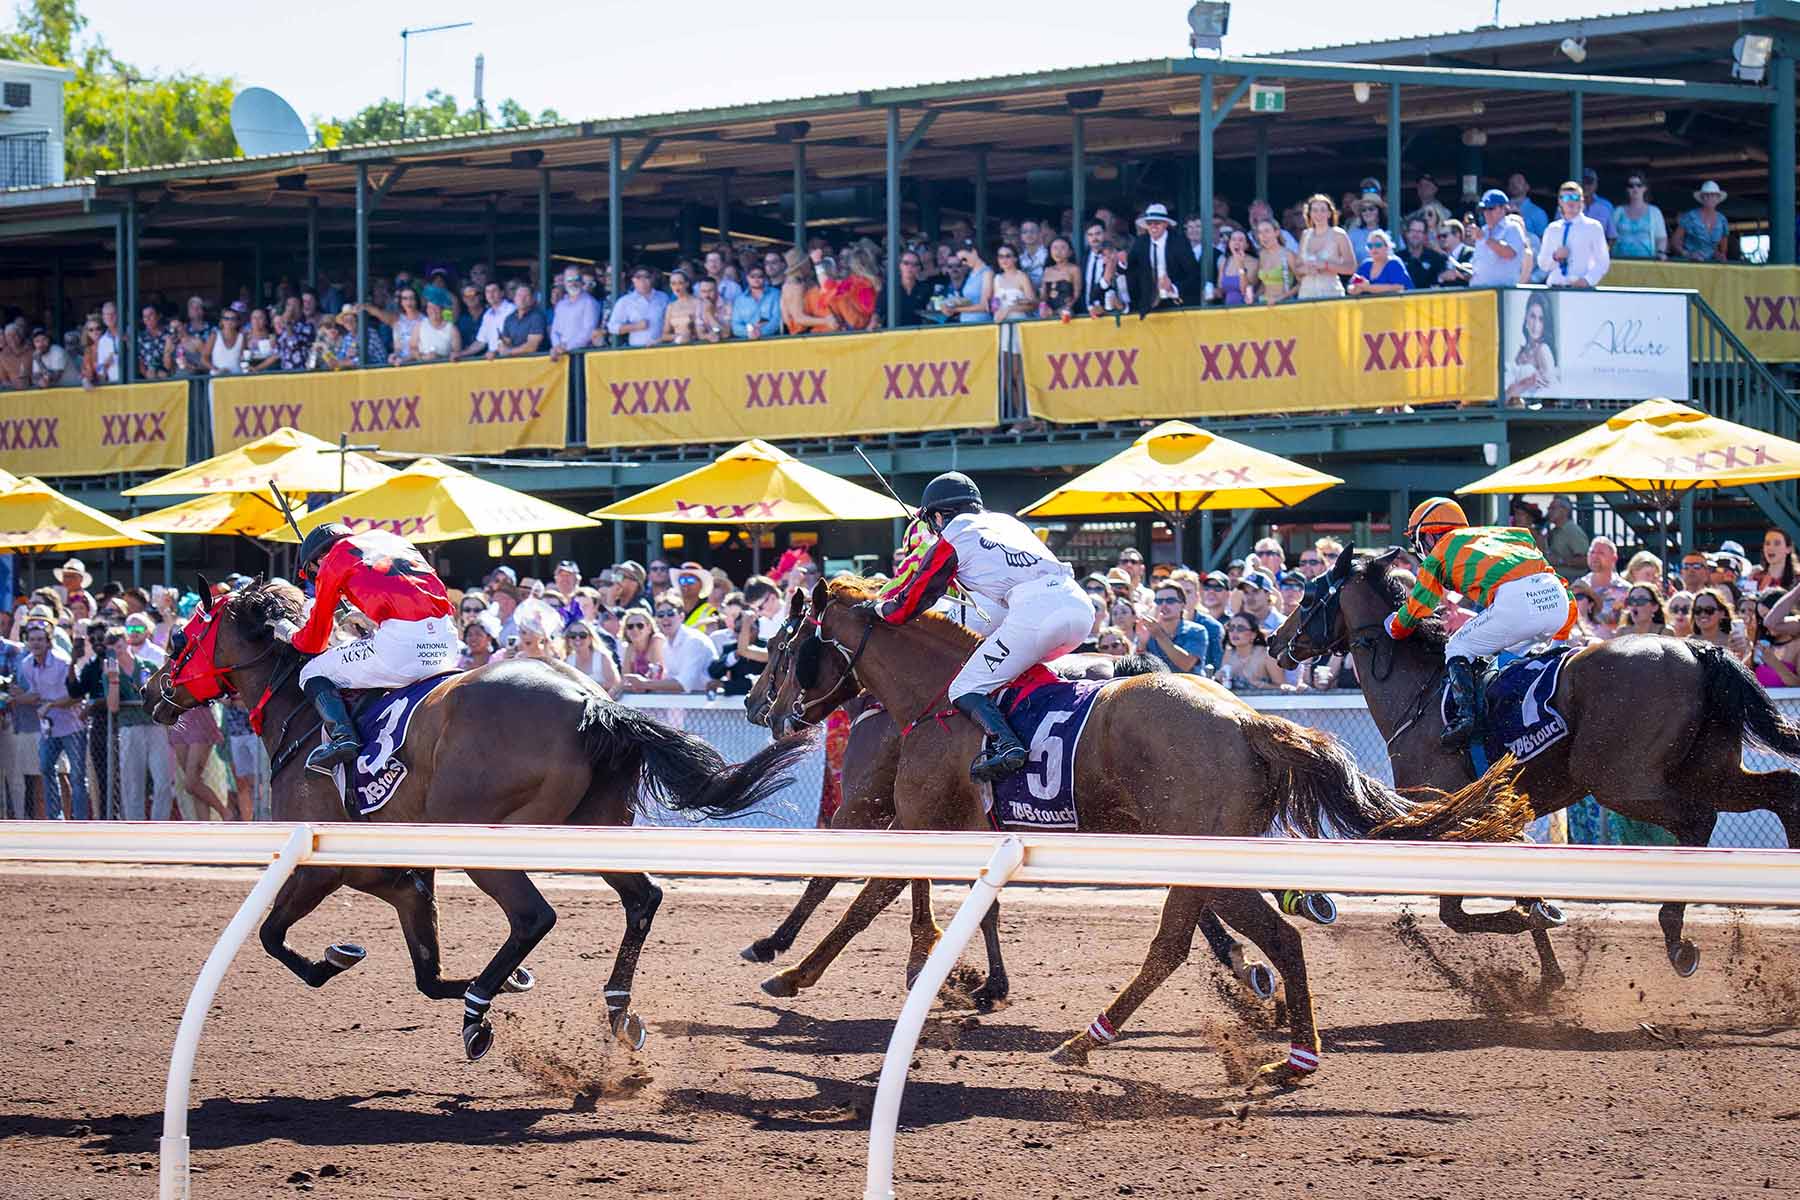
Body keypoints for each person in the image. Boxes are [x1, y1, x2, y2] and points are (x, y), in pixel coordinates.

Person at [862, 471, 1091, 781]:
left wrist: (879, 608)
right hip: (1078, 605)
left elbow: (911, 602)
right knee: (1014, 667)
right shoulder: (1008, 523)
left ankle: (1008, 746)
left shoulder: (953, 538)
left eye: (932, 522)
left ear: (939, 516)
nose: (933, 529)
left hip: (1038, 612)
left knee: (964, 688)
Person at [1385, 498, 1576, 750]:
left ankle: (1465, 719)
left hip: (1517, 604)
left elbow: (1422, 604)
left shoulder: (1439, 553)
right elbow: (1559, 583)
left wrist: (1395, 627)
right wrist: (1560, 637)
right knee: (1508, 657)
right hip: (1556, 599)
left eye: (1418, 541)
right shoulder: (1508, 535)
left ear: (1429, 536)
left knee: (1457, 646)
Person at [271, 525, 458, 778]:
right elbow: (410, 592)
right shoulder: (390, 539)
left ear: (319, 559)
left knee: (311, 672)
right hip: (447, 643)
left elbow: (313, 642)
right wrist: (369, 617)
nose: (317, 575)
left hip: (402, 649)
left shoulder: (331, 560)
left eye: (314, 571)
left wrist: (289, 633)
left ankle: (343, 737)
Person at [12, 620, 87, 819]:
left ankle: (80, 820)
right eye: (32, 639)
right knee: (45, 768)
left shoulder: (62, 662)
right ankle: (55, 817)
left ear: (48, 642)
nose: (35, 643)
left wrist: (51, 705)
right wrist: (15, 697)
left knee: (78, 776)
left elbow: (75, 697)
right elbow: (36, 695)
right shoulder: (27, 664)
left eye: (40, 639)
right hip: (50, 729)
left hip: (73, 727)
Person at [1125, 203, 1201, 314]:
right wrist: (1122, 263)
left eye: (1157, 223)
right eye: (1149, 223)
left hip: (1177, 305)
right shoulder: (1141, 243)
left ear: (1166, 224)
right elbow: (1131, 271)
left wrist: (1173, 288)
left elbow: (1194, 275)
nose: (1153, 227)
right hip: (1148, 308)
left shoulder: (1179, 243)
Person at [1138, 580, 1220, 676]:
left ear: (1183, 605)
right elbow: (1139, 668)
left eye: (1170, 601)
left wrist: (1159, 635)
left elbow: (1186, 664)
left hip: (1188, 684)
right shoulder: (1150, 630)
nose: (1164, 605)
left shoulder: (1196, 631)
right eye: (1159, 601)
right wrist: (1142, 643)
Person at [1540, 180, 1610, 289]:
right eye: (1566, 198)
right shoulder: (1552, 229)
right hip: (1555, 286)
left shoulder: (1593, 227)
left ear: (1582, 201)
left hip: (1580, 289)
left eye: (1575, 198)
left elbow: (1603, 262)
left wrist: (1587, 280)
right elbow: (1543, 264)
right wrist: (1555, 256)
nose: (1571, 202)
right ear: (1560, 201)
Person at [1295, 195, 1354, 300]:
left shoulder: (1339, 234)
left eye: (1323, 210)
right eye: (1315, 210)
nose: (1319, 214)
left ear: (1329, 213)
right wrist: (1307, 270)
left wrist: (1326, 265)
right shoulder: (1305, 235)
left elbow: (1351, 268)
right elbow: (1297, 267)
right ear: (1309, 214)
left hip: (1332, 293)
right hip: (1306, 294)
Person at [1469, 189, 1532, 288]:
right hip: (1478, 290)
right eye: (1484, 209)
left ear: (1503, 208)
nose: (1486, 213)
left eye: (1491, 208)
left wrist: (1485, 238)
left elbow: (1509, 253)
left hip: (1502, 291)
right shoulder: (1483, 230)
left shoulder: (1512, 228)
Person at [1504, 292, 1558, 405]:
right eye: (1532, 316)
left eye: (1541, 319)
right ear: (1526, 317)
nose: (1536, 325)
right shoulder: (1521, 352)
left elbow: (1552, 394)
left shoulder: (1543, 350)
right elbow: (1508, 393)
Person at [1609, 173, 1669, 260]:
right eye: (1631, 186)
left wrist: (1660, 252)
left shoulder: (1654, 212)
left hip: (1647, 261)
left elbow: (1661, 238)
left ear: (1645, 188)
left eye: (1639, 185)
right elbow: (1610, 237)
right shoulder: (1618, 211)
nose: (1635, 188)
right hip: (1620, 261)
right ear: (1627, 189)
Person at [1672, 180, 1730, 263]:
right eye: (1706, 195)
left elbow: (1723, 250)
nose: (1709, 198)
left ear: (1718, 198)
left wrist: (1720, 255)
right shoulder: (1690, 216)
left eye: (1713, 195)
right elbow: (1675, 242)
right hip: (1689, 264)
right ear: (1702, 198)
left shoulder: (1722, 220)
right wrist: (1687, 254)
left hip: (1712, 265)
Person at [1349, 230, 1411, 296]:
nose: (1374, 248)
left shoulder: (1394, 263)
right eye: (1370, 246)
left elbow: (1399, 288)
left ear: (1387, 247)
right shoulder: (1366, 264)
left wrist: (1367, 288)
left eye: (1378, 245)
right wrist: (1354, 289)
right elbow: (1351, 285)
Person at [731, 265, 782, 338]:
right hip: (747, 340)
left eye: (760, 276)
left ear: (765, 278)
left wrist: (761, 332)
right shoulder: (739, 300)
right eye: (752, 276)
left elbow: (777, 319)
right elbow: (735, 326)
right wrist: (749, 332)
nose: (756, 279)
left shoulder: (775, 294)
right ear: (747, 278)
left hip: (773, 339)